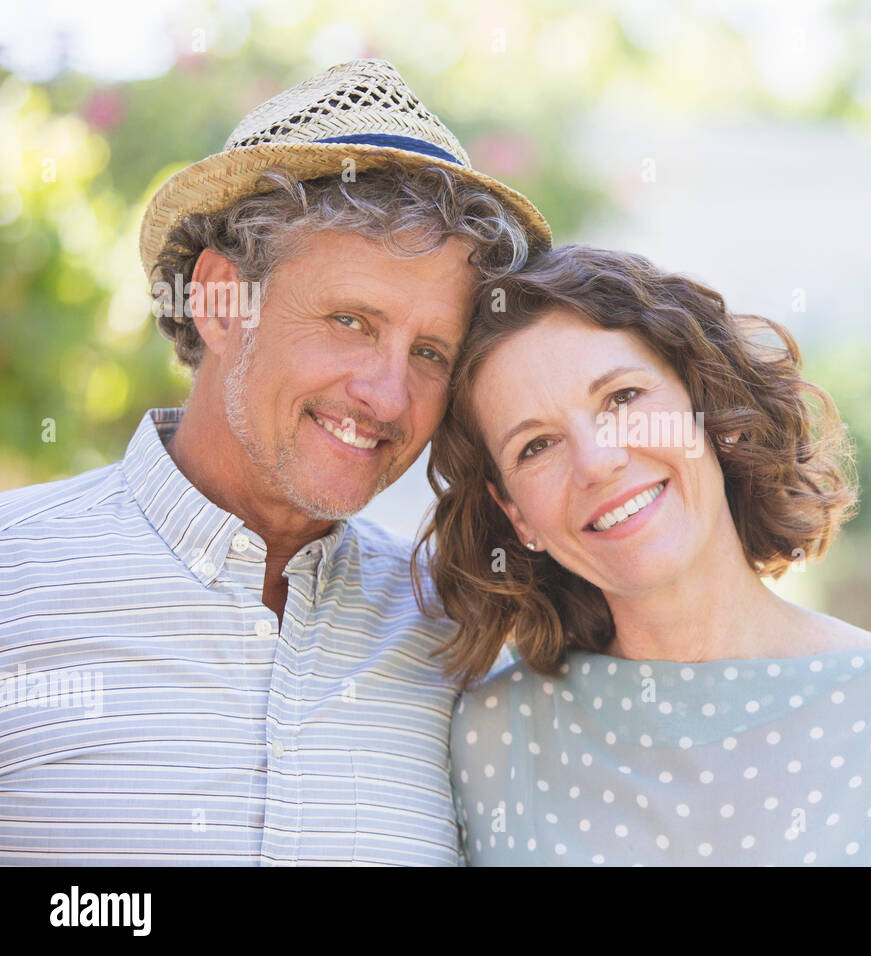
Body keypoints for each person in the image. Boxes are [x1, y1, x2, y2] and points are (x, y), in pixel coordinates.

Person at [0, 59, 548, 864]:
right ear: (221, 299)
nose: (389, 397)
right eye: (351, 321)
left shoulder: (465, 637)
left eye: (432, 351)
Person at [425, 245, 871, 865]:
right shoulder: (492, 740)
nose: (597, 462)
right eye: (535, 446)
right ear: (516, 515)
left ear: (705, 410)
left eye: (623, 398)